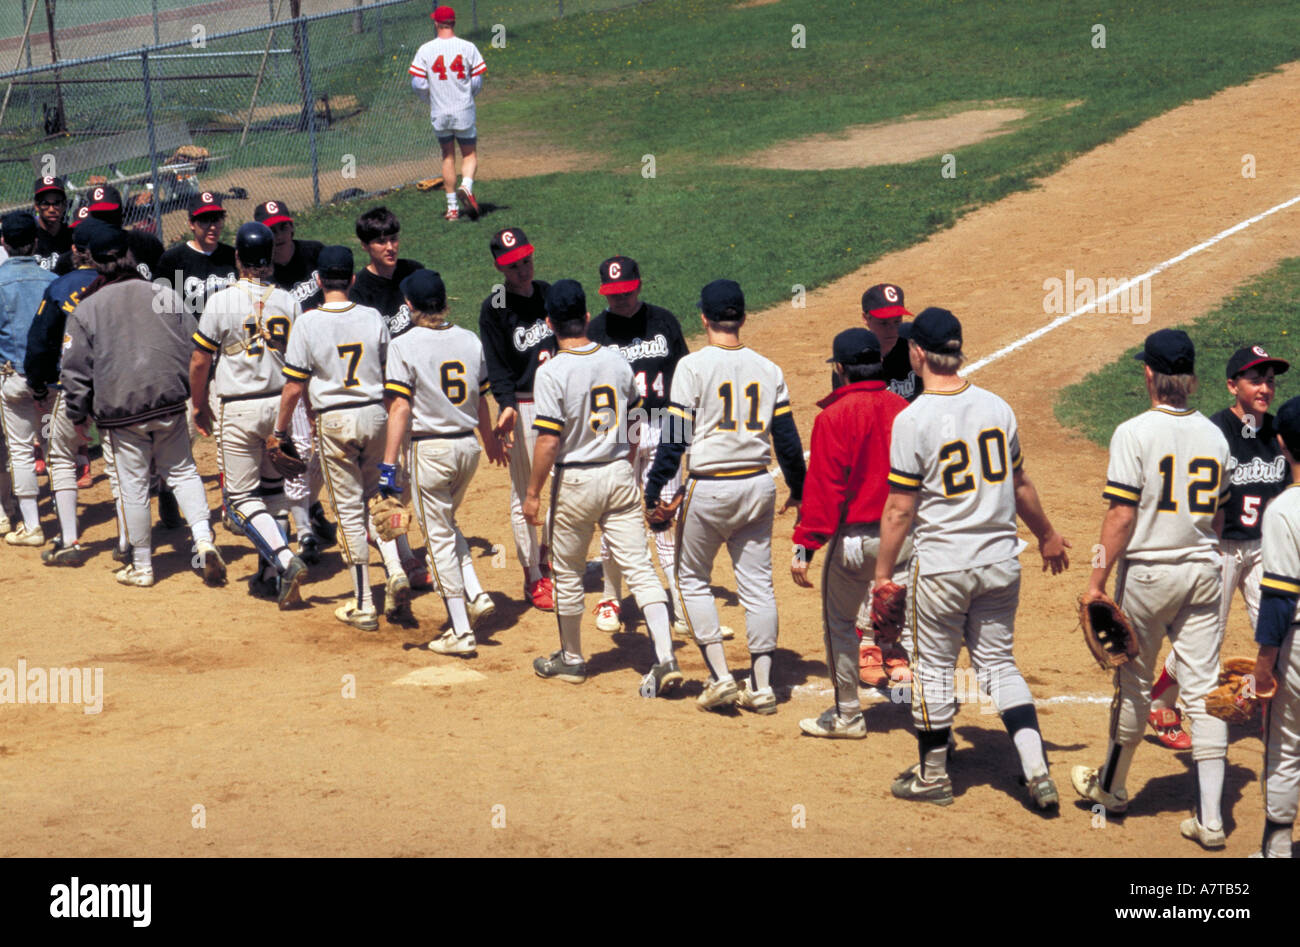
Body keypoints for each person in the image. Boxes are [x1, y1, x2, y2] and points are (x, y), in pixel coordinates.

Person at [877, 307, 1069, 810]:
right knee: (999, 666)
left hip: (942, 567)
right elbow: (1021, 485)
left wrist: (882, 576)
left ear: (917, 353)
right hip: (1001, 564)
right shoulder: (997, 408)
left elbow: (899, 509)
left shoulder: (911, 419)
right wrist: (1047, 534)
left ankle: (933, 777)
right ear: (958, 351)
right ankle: (1036, 770)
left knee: (935, 669)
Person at [1071, 328, 1233, 848]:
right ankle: (1211, 821)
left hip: (1148, 576)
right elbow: (1221, 518)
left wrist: (1096, 580)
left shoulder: (1133, 432)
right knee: (1205, 691)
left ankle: (1112, 791)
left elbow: (1121, 515)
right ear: (1190, 379)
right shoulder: (1215, 434)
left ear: (1149, 374)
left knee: (1134, 684)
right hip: (1205, 575)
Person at [645, 279, 807, 714]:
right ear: (743, 316)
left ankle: (720, 679)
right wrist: (800, 489)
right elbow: (788, 442)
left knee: (692, 578)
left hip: (709, 488)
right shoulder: (768, 368)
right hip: (757, 485)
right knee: (757, 585)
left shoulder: (692, 368)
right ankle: (763, 686)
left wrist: (653, 489)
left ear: (704, 317)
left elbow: (674, 439)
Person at [522, 279, 683, 696]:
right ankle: (665, 656)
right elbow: (633, 420)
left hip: (574, 480)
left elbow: (548, 440)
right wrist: (625, 459)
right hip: (617, 473)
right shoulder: (615, 361)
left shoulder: (551, 371)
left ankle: (572, 659)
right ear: (587, 317)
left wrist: (533, 491)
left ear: (549, 323)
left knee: (570, 572)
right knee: (641, 567)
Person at [60, 227, 226, 588]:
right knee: (183, 472)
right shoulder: (163, 293)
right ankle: (203, 540)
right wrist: (189, 391)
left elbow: (74, 369)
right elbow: (194, 345)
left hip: (121, 414)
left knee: (134, 486)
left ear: (92, 261)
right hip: (169, 403)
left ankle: (142, 566)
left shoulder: (86, 308)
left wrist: (78, 414)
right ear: (130, 255)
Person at [1147, 345, 1290, 751]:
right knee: (1206, 638)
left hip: (1265, 548)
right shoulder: (1215, 433)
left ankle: (1266, 706)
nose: (1265, 387)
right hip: (1222, 547)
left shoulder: (1279, 432)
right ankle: (1160, 699)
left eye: (1270, 380)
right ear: (1233, 386)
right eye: (1255, 380)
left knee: (1278, 629)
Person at [585, 255, 728, 638]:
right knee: (617, 519)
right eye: (613, 294)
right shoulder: (596, 330)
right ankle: (611, 597)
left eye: (627, 291)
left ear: (640, 284)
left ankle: (682, 609)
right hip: (621, 430)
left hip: (664, 425)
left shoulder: (663, 321)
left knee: (664, 520)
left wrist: (690, 427)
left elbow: (684, 375)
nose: (621, 300)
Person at [277, 245, 408, 631]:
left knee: (349, 512)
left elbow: (292, 388)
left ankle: (365, 603)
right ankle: (397, 568)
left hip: (334, 423)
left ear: (319, 281)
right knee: (378, 501)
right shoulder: (372, 318)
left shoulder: (307, 322)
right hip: (375, 415)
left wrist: (280, 432)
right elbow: (392, 378)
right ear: (352, 279)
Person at [792, 329, 909, 738]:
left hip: (855, 543)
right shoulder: (904, 410)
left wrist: (805, 546)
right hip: (904, 540)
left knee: (840, 624)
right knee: (915, 625)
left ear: (840, 370)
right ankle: (931, 716)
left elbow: (825, 489)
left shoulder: (832, 418)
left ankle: (848, 715)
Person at [382, 269, 505, 653]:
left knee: (436, 540)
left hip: (429, 452)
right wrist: (489, 441)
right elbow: (482, 400)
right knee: (447, 525)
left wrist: (387, 467)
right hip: (467, 450)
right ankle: (475, 592)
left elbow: (401, 407)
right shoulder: (469, 340)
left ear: (409, 306)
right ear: (445, 301)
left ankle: (460, 630)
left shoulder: (403, 345)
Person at [190, 222, 309, 608]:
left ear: (237, 257)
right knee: (274, 493)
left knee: (240, 500)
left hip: (239, 408)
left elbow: (199, 360)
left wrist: (198, 403)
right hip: (279, 408)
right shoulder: (289, 301)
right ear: (270, 258)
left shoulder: (220, 302)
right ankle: (271, 575)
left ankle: (285, 560)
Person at [348, 206, 429, 585]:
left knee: (409, 475)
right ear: (366, 245)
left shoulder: (415, 274)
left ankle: (393, 541)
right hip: (382, 397)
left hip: (418, 390)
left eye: (393, 237)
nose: (390, 246)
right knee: (388, 475)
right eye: (381, 240)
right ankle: (403, 552)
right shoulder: (360, 292)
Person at [479, 227, 556, 611]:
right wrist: (505, 404)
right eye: (512, 266)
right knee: (526, 491)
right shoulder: (494, 306)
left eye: (525, 260)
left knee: (561, 488)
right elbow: (496, 364)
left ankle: (549, 557)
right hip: (524, 407)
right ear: (499, 266)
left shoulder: (548, 293)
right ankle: (533, 574)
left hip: (561, 405)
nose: (522, 270)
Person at [851, 283, 923, 687]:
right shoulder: (854, 354)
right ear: (865, 319)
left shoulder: (914, 349)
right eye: (883, 321)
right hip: (876, 468)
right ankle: (869, 643)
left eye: (897, 319)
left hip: (913, 466)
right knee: (875, 551)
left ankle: (897, 646)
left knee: (910, 555)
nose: (892, 327)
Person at [24, 218, 107, 564]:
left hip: (72, 384)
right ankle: (134, 547)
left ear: (75, 250)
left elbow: (41, 341)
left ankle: (70, 540)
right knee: (122, 464)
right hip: (118, 385)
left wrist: (38, 382)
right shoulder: (124, 283)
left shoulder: (61, 286)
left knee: (60, 458)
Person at [256, 198, 336, 561]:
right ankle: (303, 526)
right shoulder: (261, 276)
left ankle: (310, 506)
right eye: (272, 230)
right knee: (300, 451)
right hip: (292, 371)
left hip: (329, 363)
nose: (281, 234)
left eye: (285, 226)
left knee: (326, 448)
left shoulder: (316, 254)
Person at [1250, 395, 1300, 858]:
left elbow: (1280, 601)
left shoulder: (1285, 510)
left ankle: (1278, 848)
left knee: (1284, 747)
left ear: (1282, 444)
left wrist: (1264, 668)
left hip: (1299, 646)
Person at [0, 212, 57, 545]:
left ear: (4, 242)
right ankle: (68, 526)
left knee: (20, 451)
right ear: (35, 241)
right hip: (50, 380)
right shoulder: (51, 279)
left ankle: (32, 526)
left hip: (12, 378)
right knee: (55, 449)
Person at [410, 4, 486, 222]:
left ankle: (452, 209)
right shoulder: (468, 47)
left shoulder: (425, 49)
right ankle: (467, 186)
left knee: (448, 156)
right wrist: (467, 95)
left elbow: (418, 83)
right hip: (463, 110)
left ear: (436, 23)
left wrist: (430, 98)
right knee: (469, 154)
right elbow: (477, 80)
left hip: (440, 111)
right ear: (454, 23)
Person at [156, 191, 238, 321]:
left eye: (216, 220)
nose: (212, 227)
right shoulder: (173, 260)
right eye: (205, 220)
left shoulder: (232, 256)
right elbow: (161, 309)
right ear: (191, 224)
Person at [33, 175, 71, 272]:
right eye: (45, 203)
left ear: (65, 205)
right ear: (36, 206)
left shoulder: (72, 237)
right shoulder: (30, 238)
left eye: (56, 203)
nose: (51, 209)